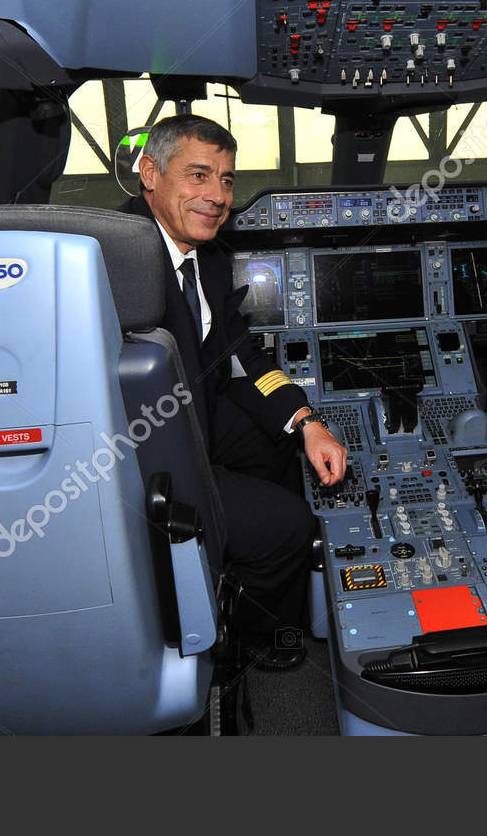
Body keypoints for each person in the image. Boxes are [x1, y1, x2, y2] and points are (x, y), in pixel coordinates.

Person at [124, 115, 348, 669]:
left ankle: (232, 560)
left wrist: (305, 419)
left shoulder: (210, 257)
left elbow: (242, 350)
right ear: (150, 173)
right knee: (288, 526)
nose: (216, 196)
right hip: (141, 451)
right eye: (198, 175)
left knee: (277, 438)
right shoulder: (117, 262)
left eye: (225, 180)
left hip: (194, 415)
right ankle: (253, 633)